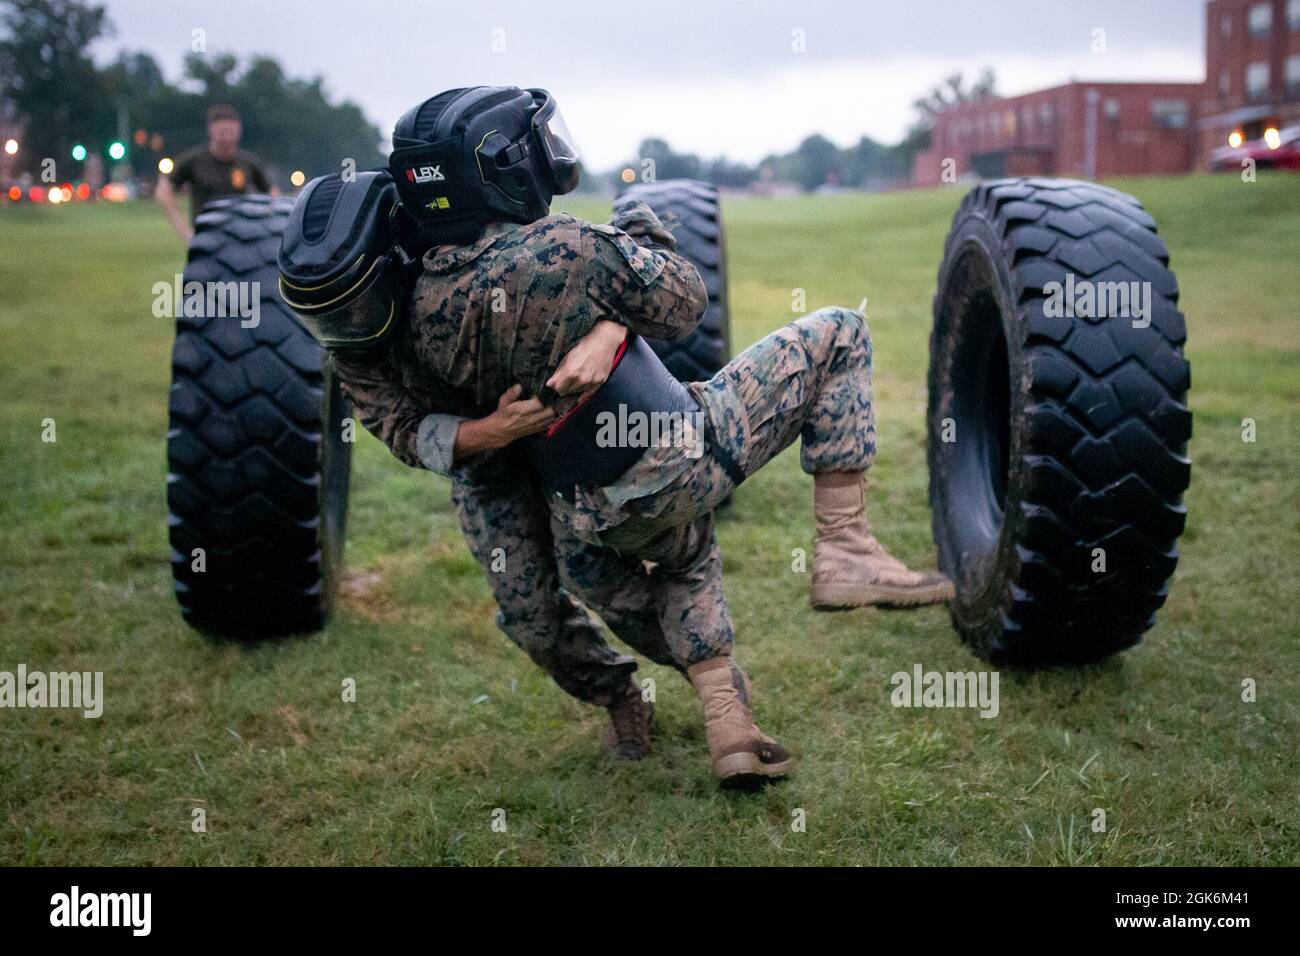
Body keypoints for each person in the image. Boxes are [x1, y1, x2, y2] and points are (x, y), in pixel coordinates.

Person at [331, 86, 952, 787]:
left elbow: (414, 407)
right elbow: (682, 298)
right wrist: (642, 233)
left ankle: (728, 721)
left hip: (581, 511)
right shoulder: (570, 248)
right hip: (666, 457)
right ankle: (845, 547)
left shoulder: (401, 311)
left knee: (660, 562)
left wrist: (604, 330)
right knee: (839, 331)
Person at [156, 103, 273, 243]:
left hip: (241, 238)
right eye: (222, 132)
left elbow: (271, 193)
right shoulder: (194, 161)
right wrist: (184, 231)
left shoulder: (248, 162)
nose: (227, 138)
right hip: (205, 238)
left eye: (232, 133)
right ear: (211, 130)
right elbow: (164, 190)